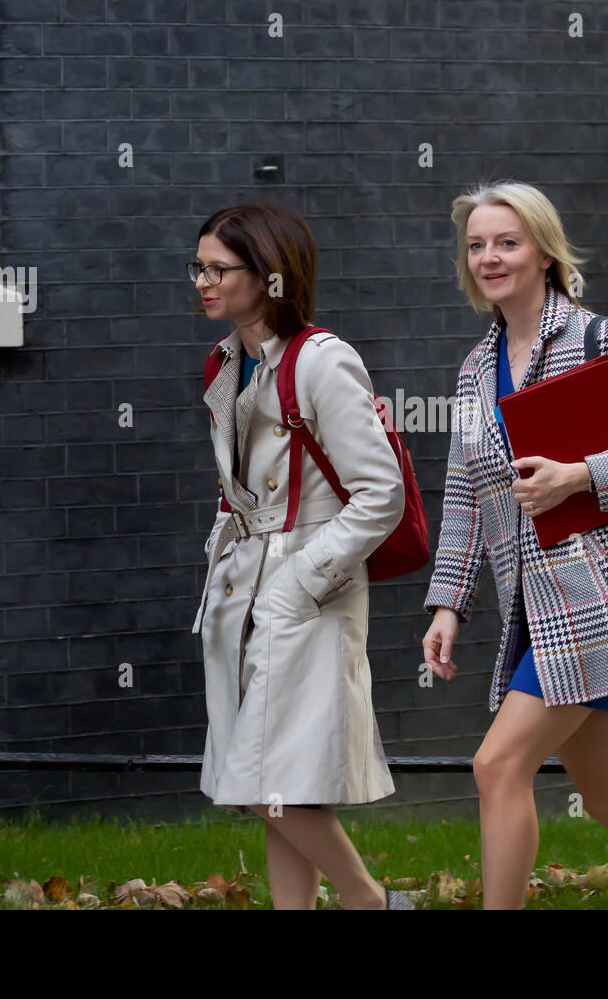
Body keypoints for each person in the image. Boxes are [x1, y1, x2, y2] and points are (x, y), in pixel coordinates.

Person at [421, 181, 608, 910]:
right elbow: (465, 492)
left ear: (545, 253)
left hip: (598, 594)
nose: (490, 257)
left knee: (497, 764)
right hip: (534, 610)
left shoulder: (599, 338)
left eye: (507, 242)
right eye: (477, 245)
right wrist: (448, 604)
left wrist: (579, 474)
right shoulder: (471, 369)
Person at [189, 202, 413, 910]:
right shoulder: (227, 364)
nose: (203, 281)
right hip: (241, 593)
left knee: (259, 776)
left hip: (308, 590)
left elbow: (382, 494)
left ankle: (370, 901)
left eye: (219, 269)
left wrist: (296, 584)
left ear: (270, 275)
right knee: (272, 777)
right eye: (197, 267)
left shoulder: (321, 359)